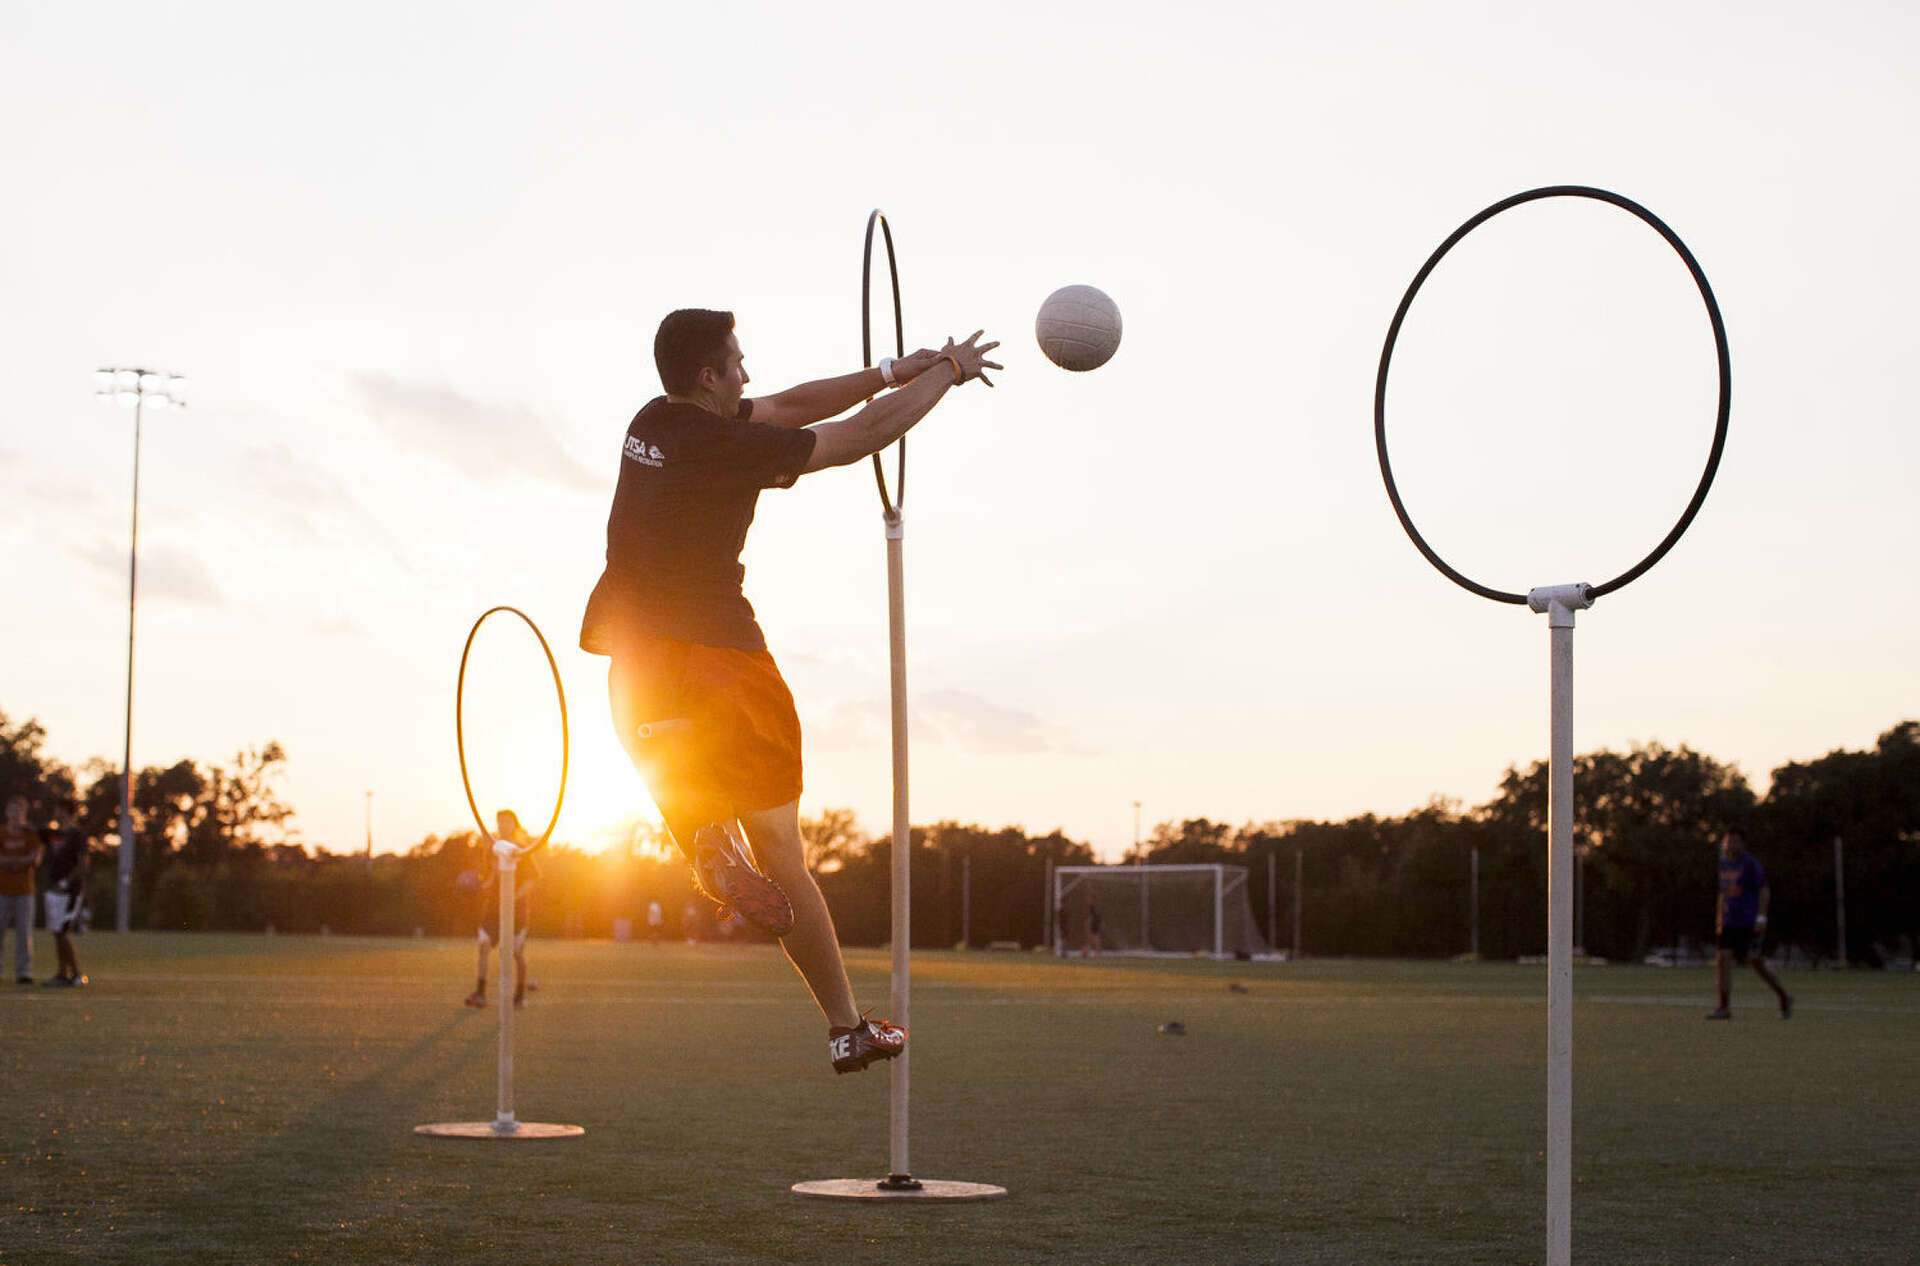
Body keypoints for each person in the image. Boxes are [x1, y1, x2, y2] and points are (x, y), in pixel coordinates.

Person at [580, 308, 998, 1074]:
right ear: (708, 375)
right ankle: (844, 1027)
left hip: (635, 663)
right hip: (720, 659)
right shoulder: (726, 447)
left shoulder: (653, 423)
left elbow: (793, 405)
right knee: (782, 853)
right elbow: (858, 436)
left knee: (679, 774)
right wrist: (948, 372)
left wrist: (891, 371)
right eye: (737, 362)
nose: (748, 373)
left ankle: (706, 835)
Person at [1708, 825, 1792, 1020]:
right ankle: (1723, 1007)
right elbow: (1722, 893)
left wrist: (1761, 917)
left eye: (1736, 841)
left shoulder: (1750, 864)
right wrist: (1719, 918)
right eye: (1729, 841)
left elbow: (1764, 890)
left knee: (1756, 963)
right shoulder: (1723, 864)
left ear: (1743, 844)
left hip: (1747, 922)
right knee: (1723, 958)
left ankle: (1783, 996)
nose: (1731, 845)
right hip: (1729, 922)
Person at [464, 810, 540, 1010]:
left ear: (515, 824)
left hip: (516, 912)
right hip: (493, 910)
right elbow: (491, 876)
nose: (503, 825)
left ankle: (519, 995)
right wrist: (482, 885)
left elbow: (532, 879)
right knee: (483, 946)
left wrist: (513, 897)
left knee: (516, 953)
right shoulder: (493, 848)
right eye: (500, 821)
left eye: (507, 821)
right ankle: (480, 993)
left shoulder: (522, 850)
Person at [39, 798, 90, 986]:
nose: (55, 813)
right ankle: (62, 974)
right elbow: (30, 831)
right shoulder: (53, 834)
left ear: (66, 811)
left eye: (57, 809)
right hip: (53, 890)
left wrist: (66, 882)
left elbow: (83, 864)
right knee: (57, 932)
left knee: (62, 931)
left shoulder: (77, 835)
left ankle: (76, 974)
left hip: (70, 892)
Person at [0, 795, 43, 984]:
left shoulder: (30, 835)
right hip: (2, 890)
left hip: (24, 891)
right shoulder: (2, 833)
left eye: (19, 810)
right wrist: (18, 862)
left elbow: (35, 859)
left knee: (24, 933)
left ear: (24, 813)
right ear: (6, 812)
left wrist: (13, 862)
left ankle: (24, 971)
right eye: (12, 810)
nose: (15, 814)